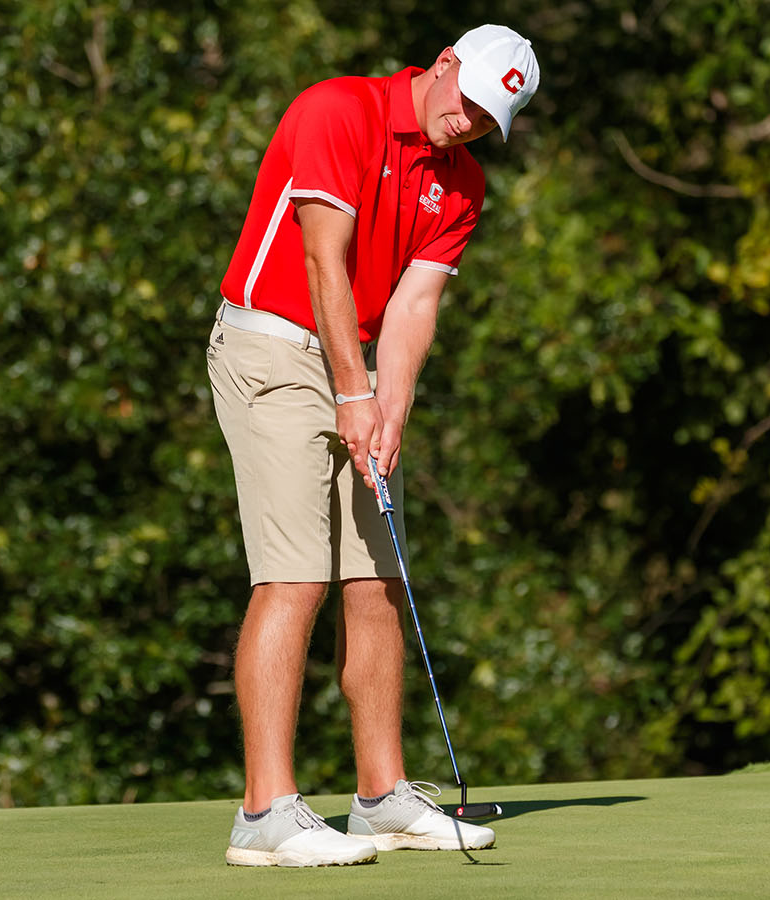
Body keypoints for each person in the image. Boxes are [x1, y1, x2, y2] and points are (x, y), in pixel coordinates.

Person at [206, 24, 541, 868]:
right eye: (468, 101)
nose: (469, 123)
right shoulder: (338, 110)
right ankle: (264, 813)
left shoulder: (462, 183)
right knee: (294, 578)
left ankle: (382, 799)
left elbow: (414, 306)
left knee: (377, 582)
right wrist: (355, 392)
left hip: (355, 365)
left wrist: (391, 406)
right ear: (444, 64)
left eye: (489, 120)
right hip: (272, 348)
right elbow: (325, 261)